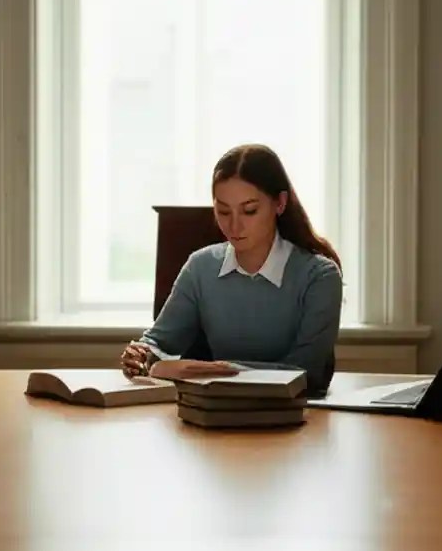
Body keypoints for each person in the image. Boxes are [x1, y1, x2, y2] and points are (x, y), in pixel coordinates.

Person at [120, 143, 344, 395]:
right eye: (223, 211)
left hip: (295, 418)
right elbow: (159, 342)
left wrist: (214, 371)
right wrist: (142, 354)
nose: (234, 226)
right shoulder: (200, 267)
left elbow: (307, 373)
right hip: (211, 415)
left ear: (280, 203)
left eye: (250, 211)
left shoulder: (320, 276)